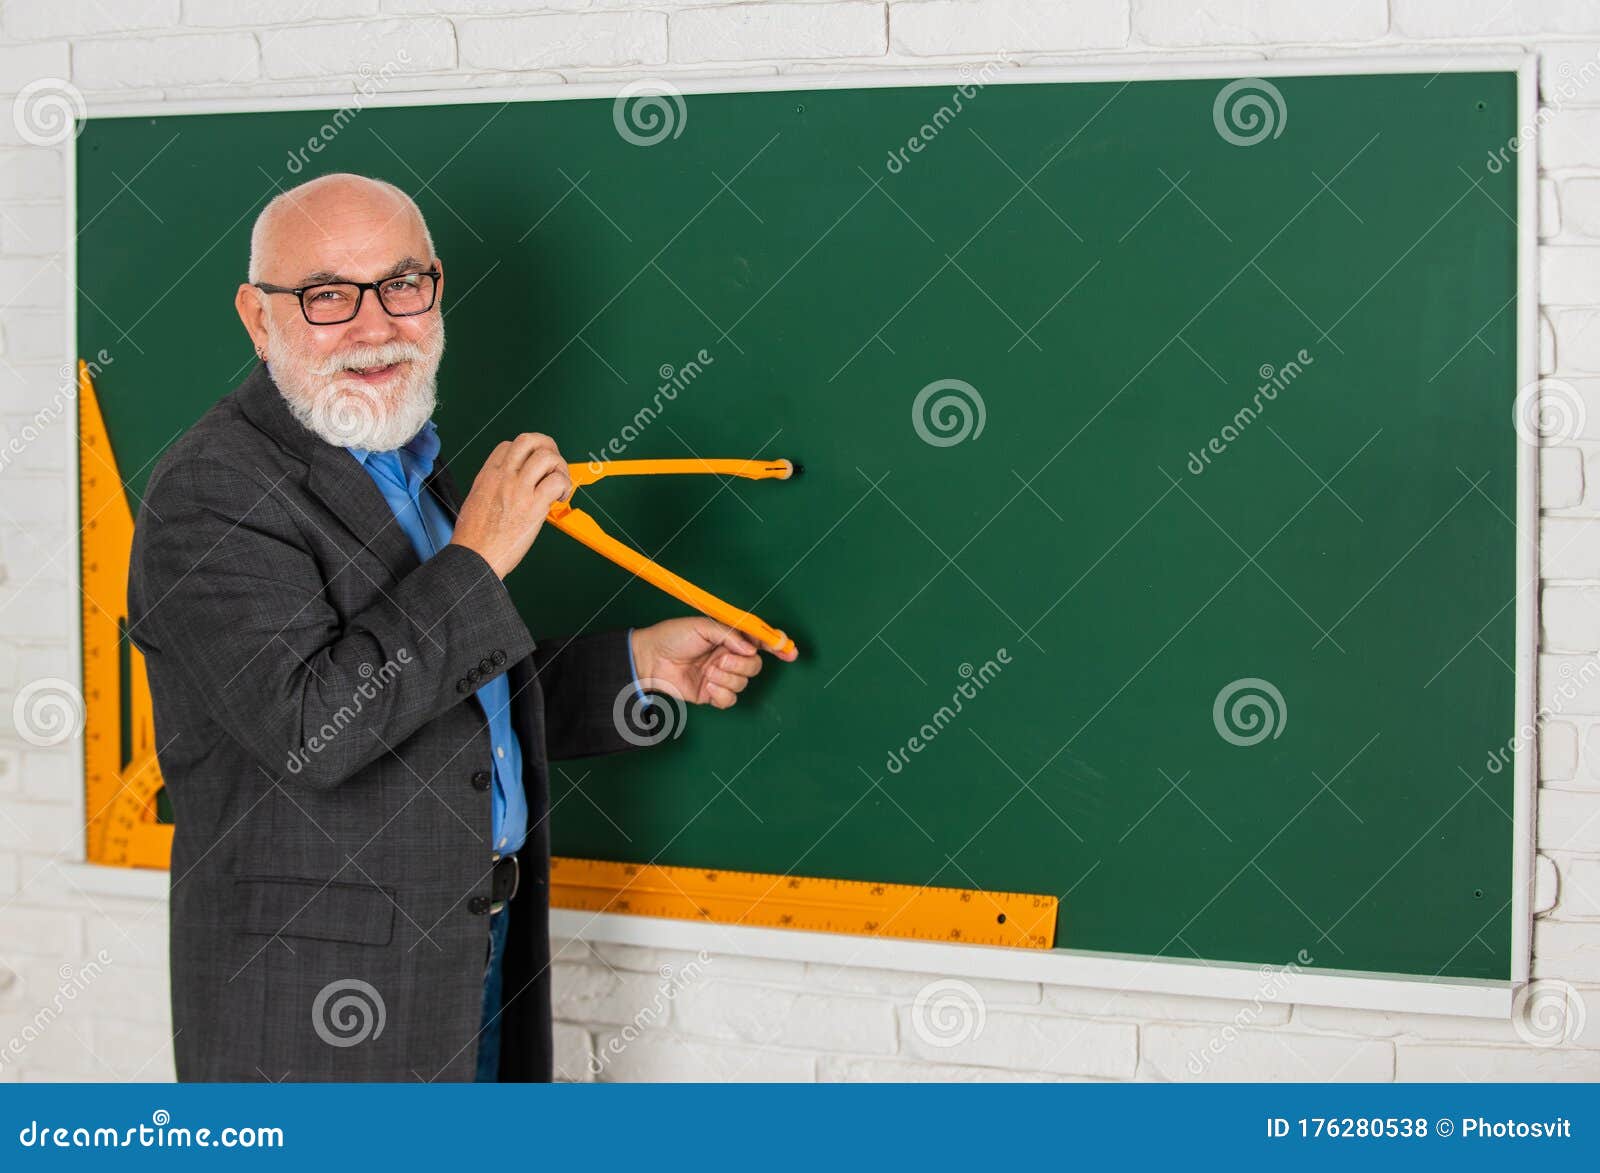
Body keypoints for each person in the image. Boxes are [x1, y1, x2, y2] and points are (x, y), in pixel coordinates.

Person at [126, 173, 796, 1082]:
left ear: (435, 287)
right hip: (318, 1001)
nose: (376, 326)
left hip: (480, 950)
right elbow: (314, 727)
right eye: (327, 295)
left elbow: (443, 700)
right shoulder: (211, 489)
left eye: (402, 285)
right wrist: (476, 557)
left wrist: (638, 667)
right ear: (257, 316)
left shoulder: (403, 456)